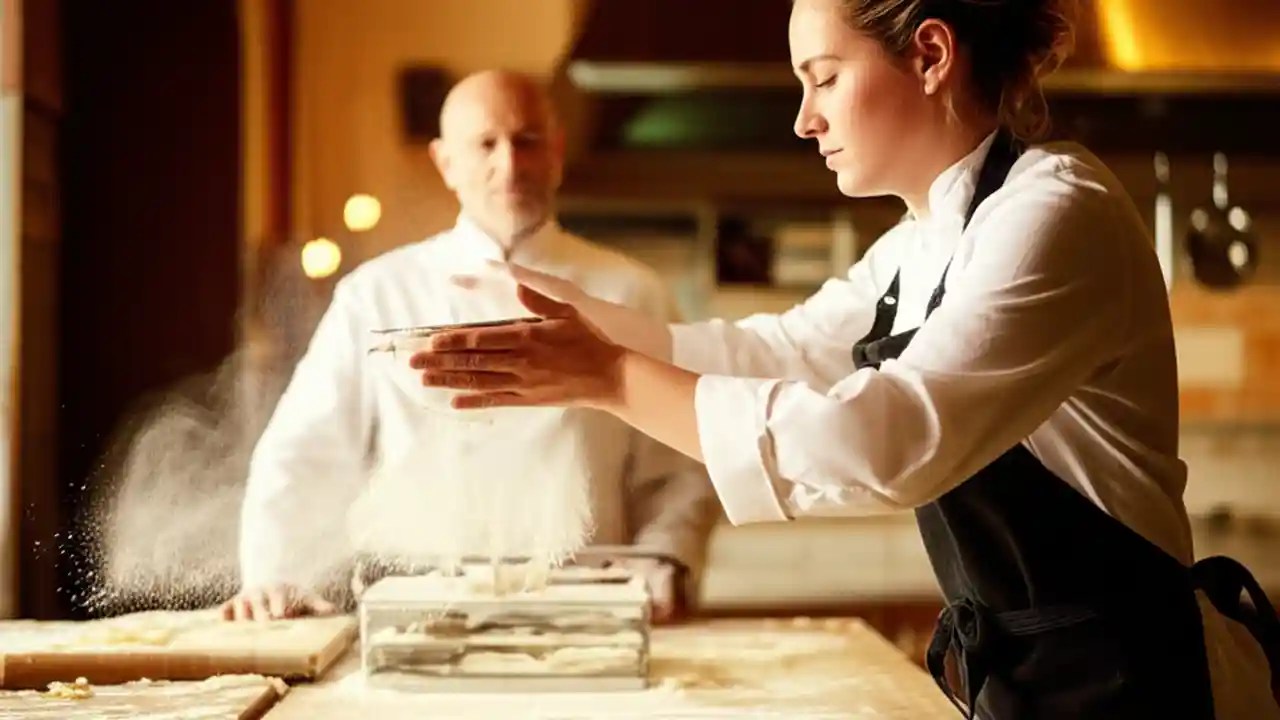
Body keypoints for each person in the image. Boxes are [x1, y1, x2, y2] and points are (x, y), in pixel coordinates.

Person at [409, 2, 1280, 718]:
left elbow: (886, 439)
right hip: (1028, 684)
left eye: (824, 77)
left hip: (1133, 685)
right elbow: (775, 351)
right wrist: (541, 304)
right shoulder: (921, 242)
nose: (803, 117)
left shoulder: (1057, 212)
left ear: (931, 52)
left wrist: (605, 377)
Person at [220, 70, 719, 625]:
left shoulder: (631, 291)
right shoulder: (377, 294)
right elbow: (304, 452)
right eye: (485, 144)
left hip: (588, 609)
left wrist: (665, 560)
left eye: (527, 140)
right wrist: (273, 574)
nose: (509, 164)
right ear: (445, 162)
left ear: (555, 151)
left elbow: (679, 469)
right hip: (412, 610)